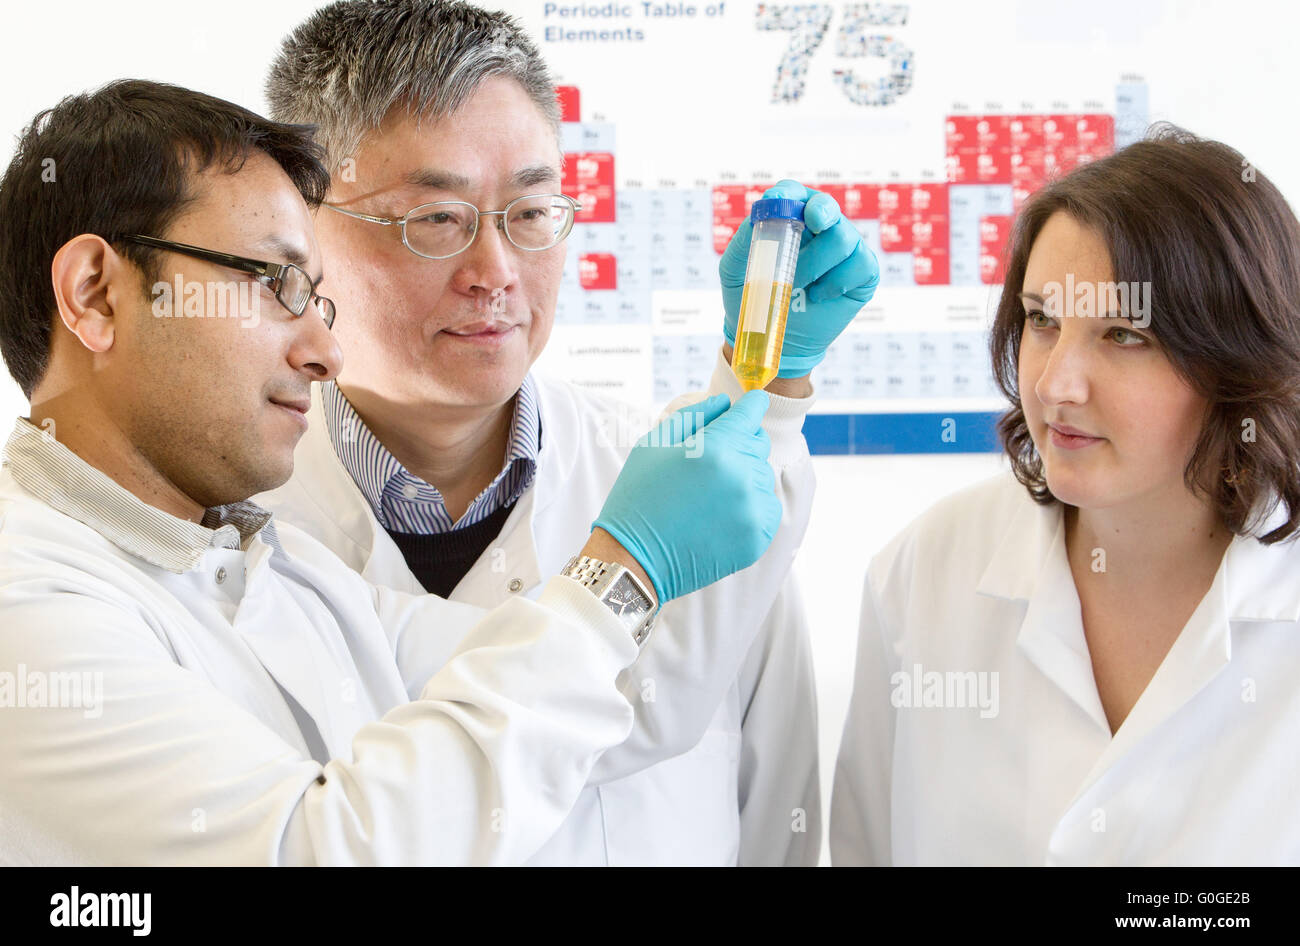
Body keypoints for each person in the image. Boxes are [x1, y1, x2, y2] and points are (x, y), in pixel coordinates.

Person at [0, 79, 784, 865]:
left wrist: (765, 385)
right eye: (274, 284)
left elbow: (618, 704)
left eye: (312, 296)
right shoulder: (26, 605)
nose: (324, 352)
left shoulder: (270, 567)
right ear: (95, 294)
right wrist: (626, 568)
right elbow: (317, 852)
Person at [258, 0, 879, 864]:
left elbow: (777, 822)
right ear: (300, 228)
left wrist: (764, 392)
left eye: (532, 211)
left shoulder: (694, 497)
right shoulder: (233, 529)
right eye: (436, 219)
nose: (497, 273)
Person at [831, 124, 1300, 865]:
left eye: (1122, 335)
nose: (1053, 385)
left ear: (1236, 357)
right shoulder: (927, 570)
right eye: (1042, 321)